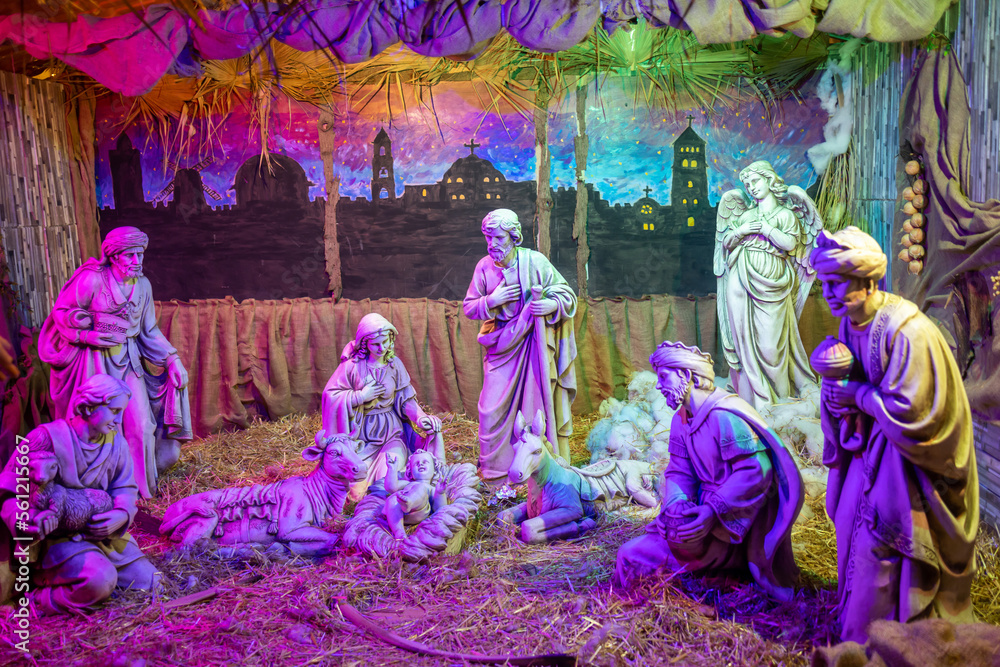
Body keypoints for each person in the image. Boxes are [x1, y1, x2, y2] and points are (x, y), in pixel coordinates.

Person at [811, 227, 978, 642]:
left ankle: (896, 637)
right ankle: (861, 628)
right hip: (875, 449)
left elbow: (916, 415)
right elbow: (855, 395)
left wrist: (859, 396)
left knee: (881, 541)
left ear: (868, 281)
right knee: (847, 517)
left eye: (837, 284)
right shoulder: (850, 323)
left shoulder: (909, 333)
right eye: (825, 284)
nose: (829, 294)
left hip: (914, 466)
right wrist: (837, 402)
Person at [615, 341, 803, 600]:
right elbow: (679, 471)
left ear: (687, 375)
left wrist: (713, 510)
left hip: (734, 525)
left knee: (633, 556)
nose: (658, 386)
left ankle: (725, 569)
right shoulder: (681, 420)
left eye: (663, 377)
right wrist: (677, 503)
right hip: (700, 521)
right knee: (630, 555)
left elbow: (756, 470)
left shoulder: (724, 416)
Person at [38, 226, 191, 498]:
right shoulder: (92, 279)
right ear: (114, 256)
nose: (137, 261)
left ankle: (137, 490)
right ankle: (98, 491)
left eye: (140, 254)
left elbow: (149, 331)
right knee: (100, 426)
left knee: (142, 425)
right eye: (130, 255)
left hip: (129, 359)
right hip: (93, 362)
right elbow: (61, 313)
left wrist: (172, 359)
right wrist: (87, 335)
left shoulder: (143, 285)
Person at [0, 375, 159, 615]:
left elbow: (125, 489)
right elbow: (9, 491)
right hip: (56, 539)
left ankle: (93, 583)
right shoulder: (44, 438)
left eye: (121, 412)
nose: (118, 420)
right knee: (100, 582)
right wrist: (23, 522)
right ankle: (38, 600)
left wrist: (121, 515)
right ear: (87, 406)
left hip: (103, 537)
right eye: (114, 411)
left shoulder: (117, 444)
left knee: (152, 583)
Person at [463, 209, 577, 480]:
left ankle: (537, 471)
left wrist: (551, 304)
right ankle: (496, 473)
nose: (493, 245)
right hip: (501, 346)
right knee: (490, 410)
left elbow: (566, 294)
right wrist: (492, 300)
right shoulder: (484, 267)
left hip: (532, 347)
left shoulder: (534, 262)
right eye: (488, 238)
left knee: (533, 410)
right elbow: (469, 307)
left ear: (514, 237)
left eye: (499, 237)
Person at [715, 161, 819, 410]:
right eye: (747, 184)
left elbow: (791, 245)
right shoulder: (746, 215)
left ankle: (780, 403)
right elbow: (727, 242)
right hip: (740, 279)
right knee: (743, 343)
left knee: (771, 347)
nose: (751, 188)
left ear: (770, 181)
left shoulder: (786, 215)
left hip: (773, 284)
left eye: (755, 182)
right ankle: (752, 400)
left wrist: (766, 228)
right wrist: (741, 231)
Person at [321, 313, 442, 500]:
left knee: (387, 480)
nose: (382, 348)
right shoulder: (352, 367)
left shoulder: (394, 365)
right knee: (354, 493)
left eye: (385, 342)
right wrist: (360, 396)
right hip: (359, 436)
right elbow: (330, 396)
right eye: (376, 344)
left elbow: (406, 399)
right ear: (364, 343)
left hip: (391, 433)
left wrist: (420, 417)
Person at [383, 450, 446, 540]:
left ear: (434, 470)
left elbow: (440, 509)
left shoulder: (431, 488)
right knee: (392, 499)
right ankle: (399, 533)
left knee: (420, 488)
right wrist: (392, 469)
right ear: (410, 471)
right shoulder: (407, 483)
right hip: (400, 513)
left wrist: (440, 493)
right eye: (416, 463)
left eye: (425, 462)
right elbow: (391, 488)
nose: (420, 464)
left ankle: (409, 502)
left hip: (418, 511)